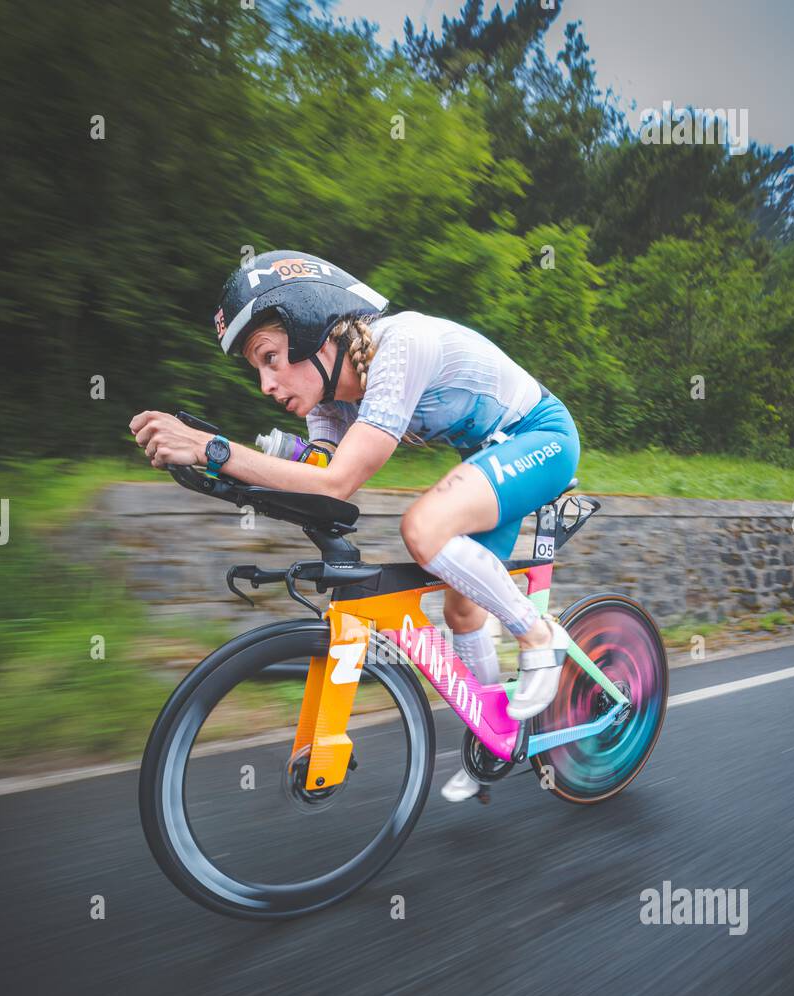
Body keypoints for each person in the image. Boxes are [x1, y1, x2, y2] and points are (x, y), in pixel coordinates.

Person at [129, 250, 580, 803]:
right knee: (463, 608)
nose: (267, 384)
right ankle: (497, 736)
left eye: (270, 357)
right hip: (491, 453)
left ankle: (539, 637)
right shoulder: (330, 407)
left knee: (423, 528)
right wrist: (214, 464)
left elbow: (337, 483)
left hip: (542, 437)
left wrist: (213, 448)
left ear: (312, 329)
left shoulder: (402, 344)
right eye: (257, 369)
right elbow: (309, 482)